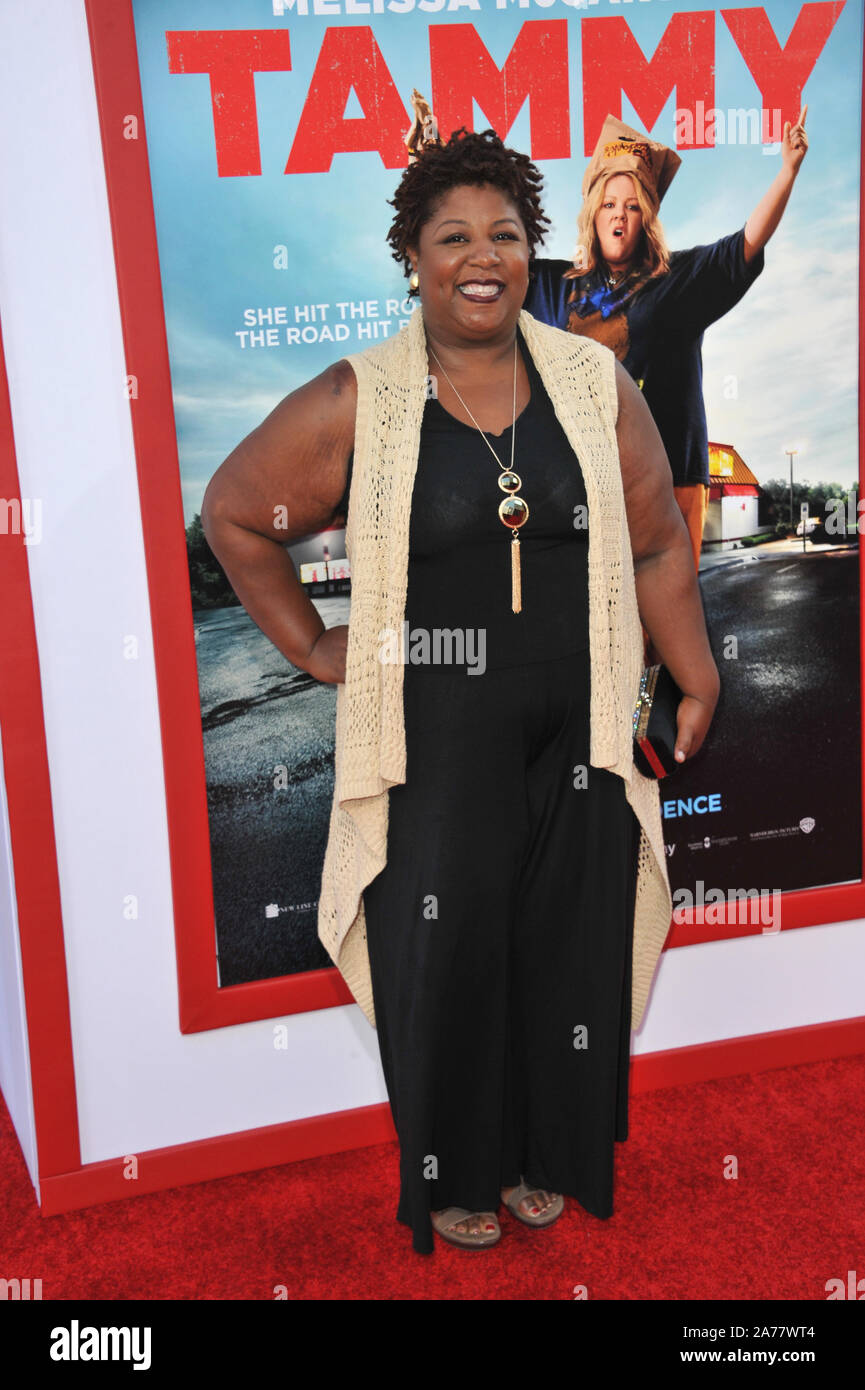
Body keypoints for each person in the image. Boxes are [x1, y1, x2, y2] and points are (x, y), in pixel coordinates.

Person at [200, 128, 720, 1255]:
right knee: (449, 955)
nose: (480, 257)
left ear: (533, 249)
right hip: (435, 728)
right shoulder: (364, 398)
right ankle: (455, 1172)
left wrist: (695, 669)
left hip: (581, 726)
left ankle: (545, 1156)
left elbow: (656, 545)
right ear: (412, 258)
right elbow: (236, 511)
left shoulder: (590, 381)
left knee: (564, 948)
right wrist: (315, 646)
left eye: (504, 234)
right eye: (452, 238)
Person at [525, 110, 809, 571]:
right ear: (593, 211)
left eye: (633, 205)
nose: (619, 215)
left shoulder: (676, 281)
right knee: (599, 632)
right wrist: (427, 160)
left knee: (664, 630)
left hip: (669, 479)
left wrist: (787, 171)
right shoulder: (555, 284)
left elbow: (746, 245)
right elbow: (482, 252)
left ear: (647, 217)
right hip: (581, 484)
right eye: (610, 203)